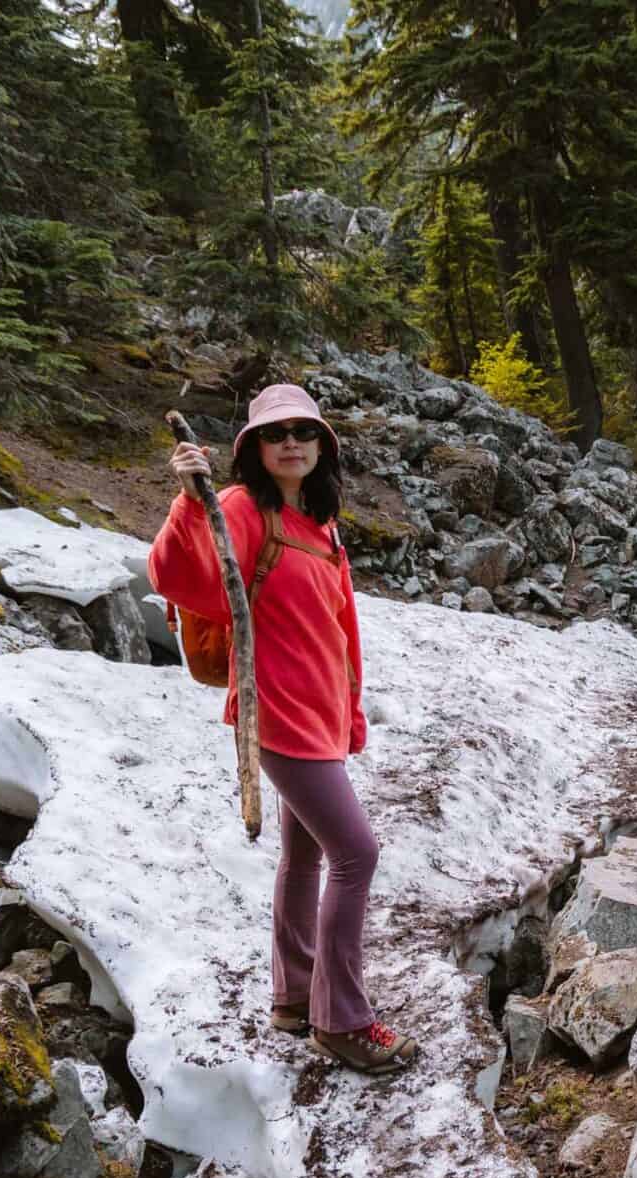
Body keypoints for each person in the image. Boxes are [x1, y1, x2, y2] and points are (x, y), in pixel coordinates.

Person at [147, 383, 417, 1074]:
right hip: (278, 716)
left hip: (320, 718)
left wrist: (351, 711)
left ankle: (296, 997)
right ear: (254, 450)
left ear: (322, 443)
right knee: (357, 854)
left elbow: (340, 627)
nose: (290, 441)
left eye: (303, 430)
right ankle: (343, 1021)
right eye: (275, 433)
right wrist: (187, 497)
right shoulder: (241, 508)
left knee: (306, 858)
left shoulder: (319, 521)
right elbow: (177, 574)